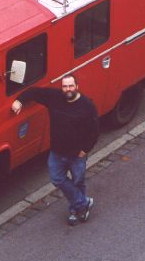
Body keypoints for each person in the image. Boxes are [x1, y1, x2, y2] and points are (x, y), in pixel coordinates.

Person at [11, 74, 99, 226]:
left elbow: (94, 130)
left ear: (77, 86)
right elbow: (34, 92)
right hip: (57, 152)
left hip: (77, 154)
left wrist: (85, 149)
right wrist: (19, 101)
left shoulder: (87, 106)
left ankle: (76, 210)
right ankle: (83, 202)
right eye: (65, 86)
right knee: (57, 178)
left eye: (71, 86)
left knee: (78, 181)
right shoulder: (54, 97)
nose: (68, 89)